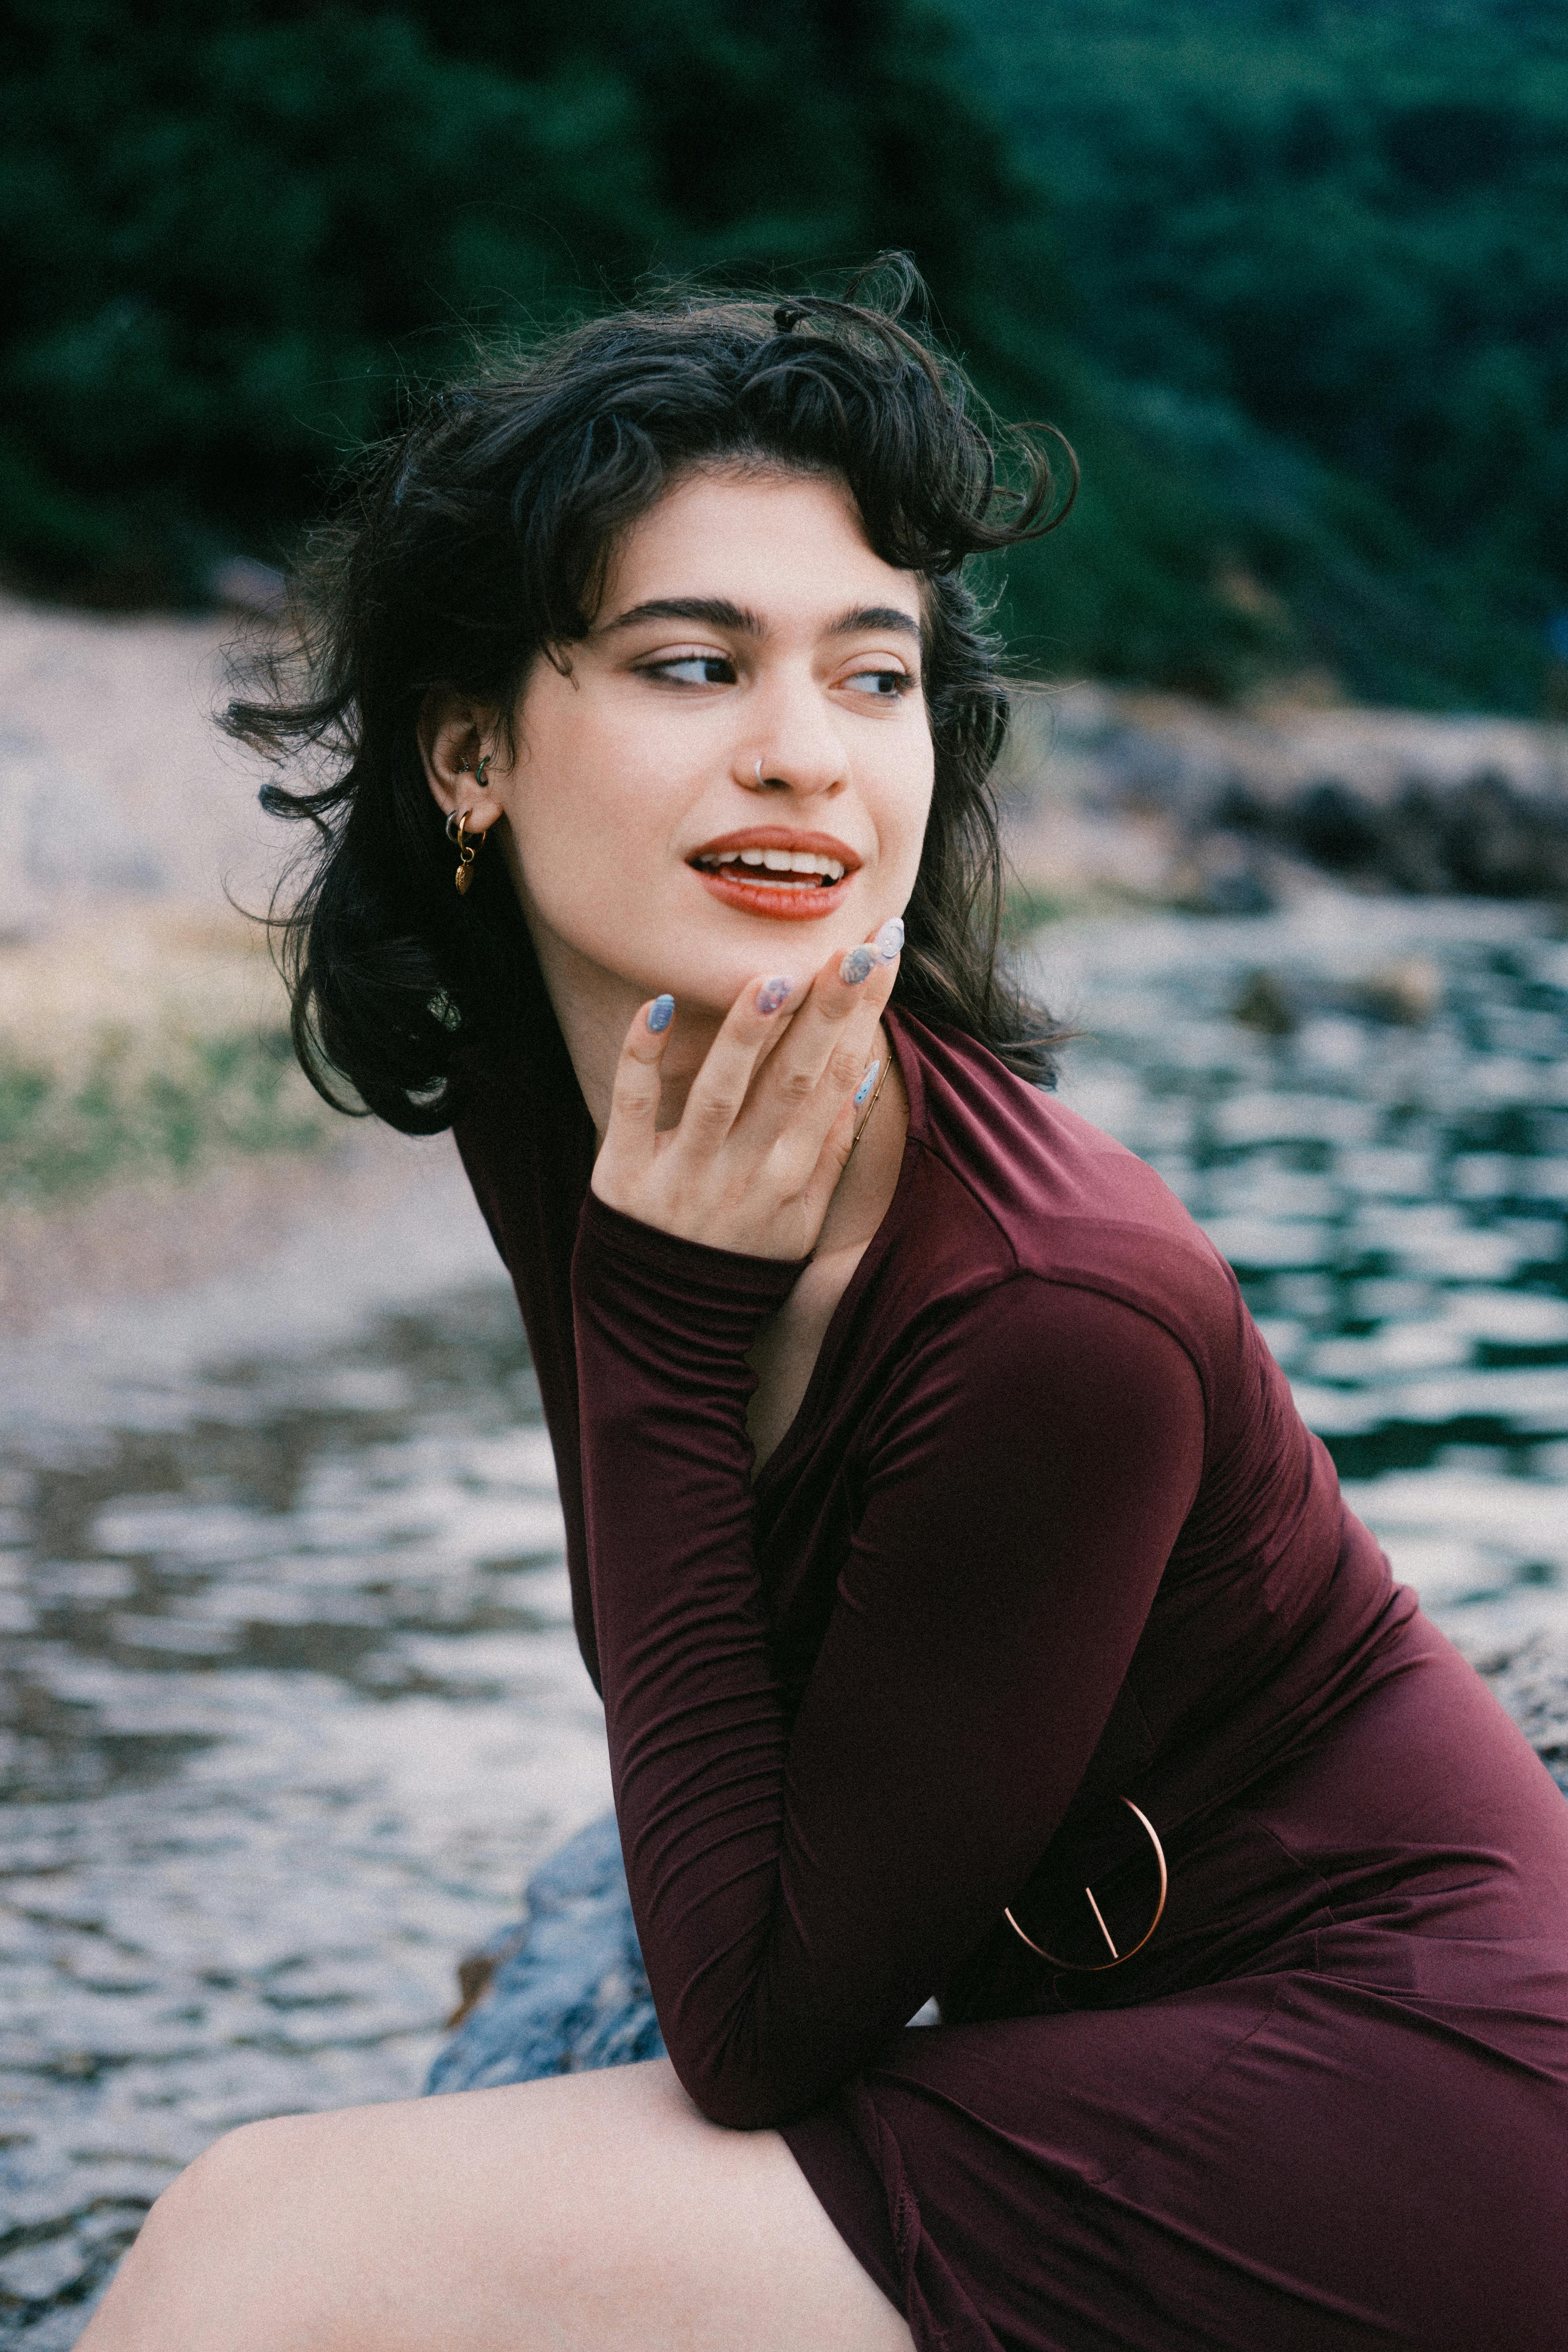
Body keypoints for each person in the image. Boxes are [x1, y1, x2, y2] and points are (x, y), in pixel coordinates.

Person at [81, 270, 1568, 2352]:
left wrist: (660, 1315)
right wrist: (652, 1303)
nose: (804, 757)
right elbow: (681, 1706)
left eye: (875, 679)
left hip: (1417, 2106)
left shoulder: (1055, 1312)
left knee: (266, 2242)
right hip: (1097, 2025)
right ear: (470, 752)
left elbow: (756, 2026)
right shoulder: (563, 1082)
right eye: (695, 665)